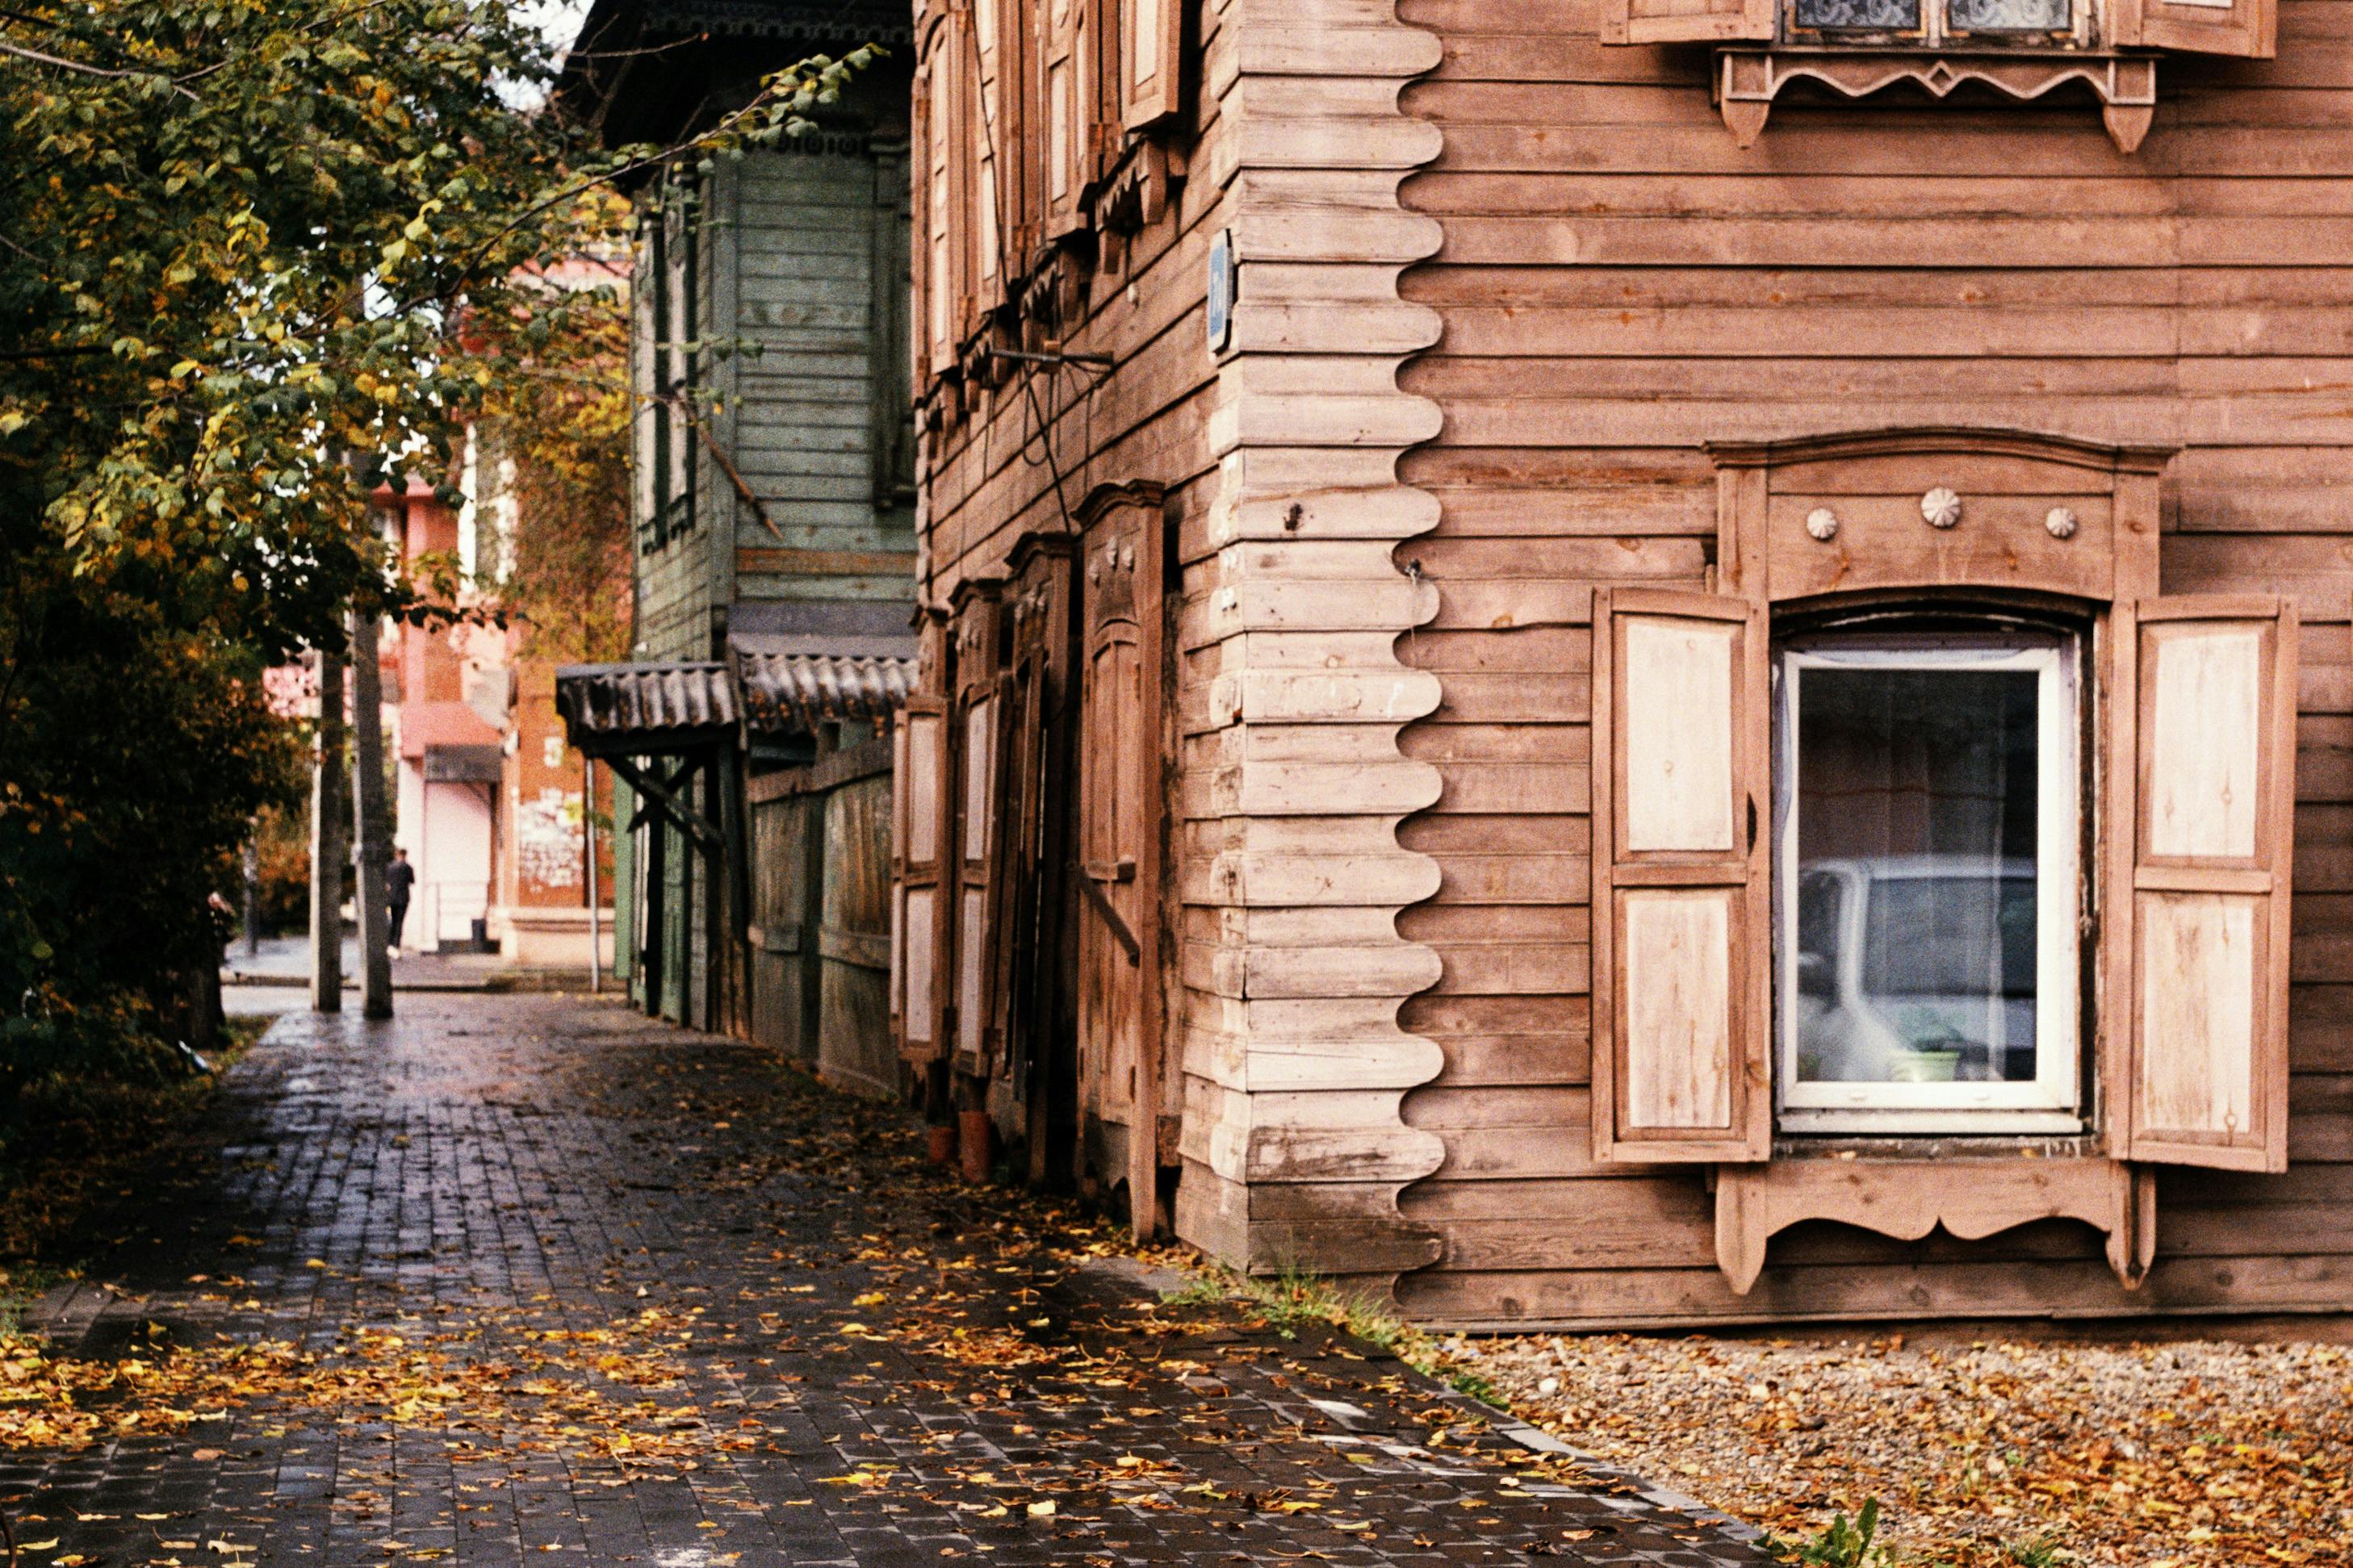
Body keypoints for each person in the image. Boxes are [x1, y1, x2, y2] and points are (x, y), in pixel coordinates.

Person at [386, 846, 416, 955]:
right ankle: (396, 945)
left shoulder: (389, 867)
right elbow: (412, 881)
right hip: (403, 898)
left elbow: (387, 881)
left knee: (392, 921)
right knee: (399, 923)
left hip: (392, 898)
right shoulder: (408, 868)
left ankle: (389, 944)